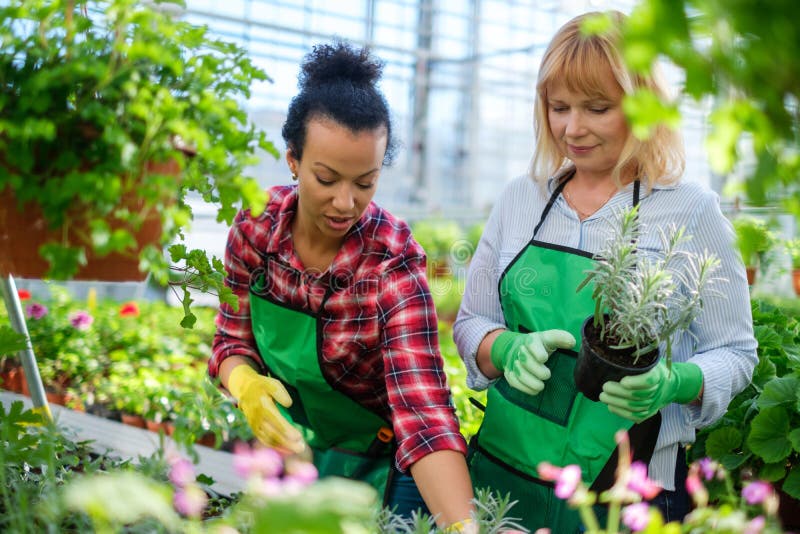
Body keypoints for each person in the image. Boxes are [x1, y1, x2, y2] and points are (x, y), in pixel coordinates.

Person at [453, 11, 757, 533]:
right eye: (558, 107)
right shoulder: (522, 198)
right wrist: (502, 348)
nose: (573, 128)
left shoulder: (690, 211)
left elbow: (737, 353)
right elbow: (470, 322)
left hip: (626, 494)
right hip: (504, 481)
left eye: (597, 108)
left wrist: (674, 382)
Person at [209, 41, 475, 532]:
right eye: (326, 178)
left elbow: (423, 410)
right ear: (293, 159)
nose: (345, 202)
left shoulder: (391, 260)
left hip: (387, 464)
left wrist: (464, 526)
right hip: (293, 452)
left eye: (365, 182)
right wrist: (243, 383)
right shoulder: (256, 229)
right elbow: (232, 340)